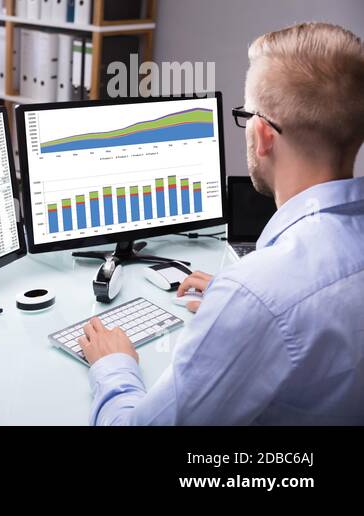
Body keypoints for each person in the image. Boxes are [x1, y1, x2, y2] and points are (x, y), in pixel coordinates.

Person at [80, 22, 364, 425]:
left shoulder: (258, 296)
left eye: (246, 115)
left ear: (263, 135)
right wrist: (240, 305)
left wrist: (114, 367)